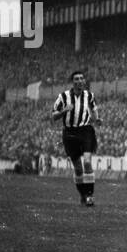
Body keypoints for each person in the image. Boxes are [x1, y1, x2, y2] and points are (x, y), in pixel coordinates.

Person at [50, 70, 102, 205]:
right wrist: (64, 111)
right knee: (78, 168)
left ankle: (90, 196)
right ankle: (83, 195)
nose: (79, 81)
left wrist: (97, 119)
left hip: (86, 131)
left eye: (81, 78)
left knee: (87, 162)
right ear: (72, 82)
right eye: (76, 79)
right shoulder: (63, 97)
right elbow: (54, 116)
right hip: (70, 133)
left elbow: (94, 108)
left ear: (84, 81)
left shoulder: (89, 95)